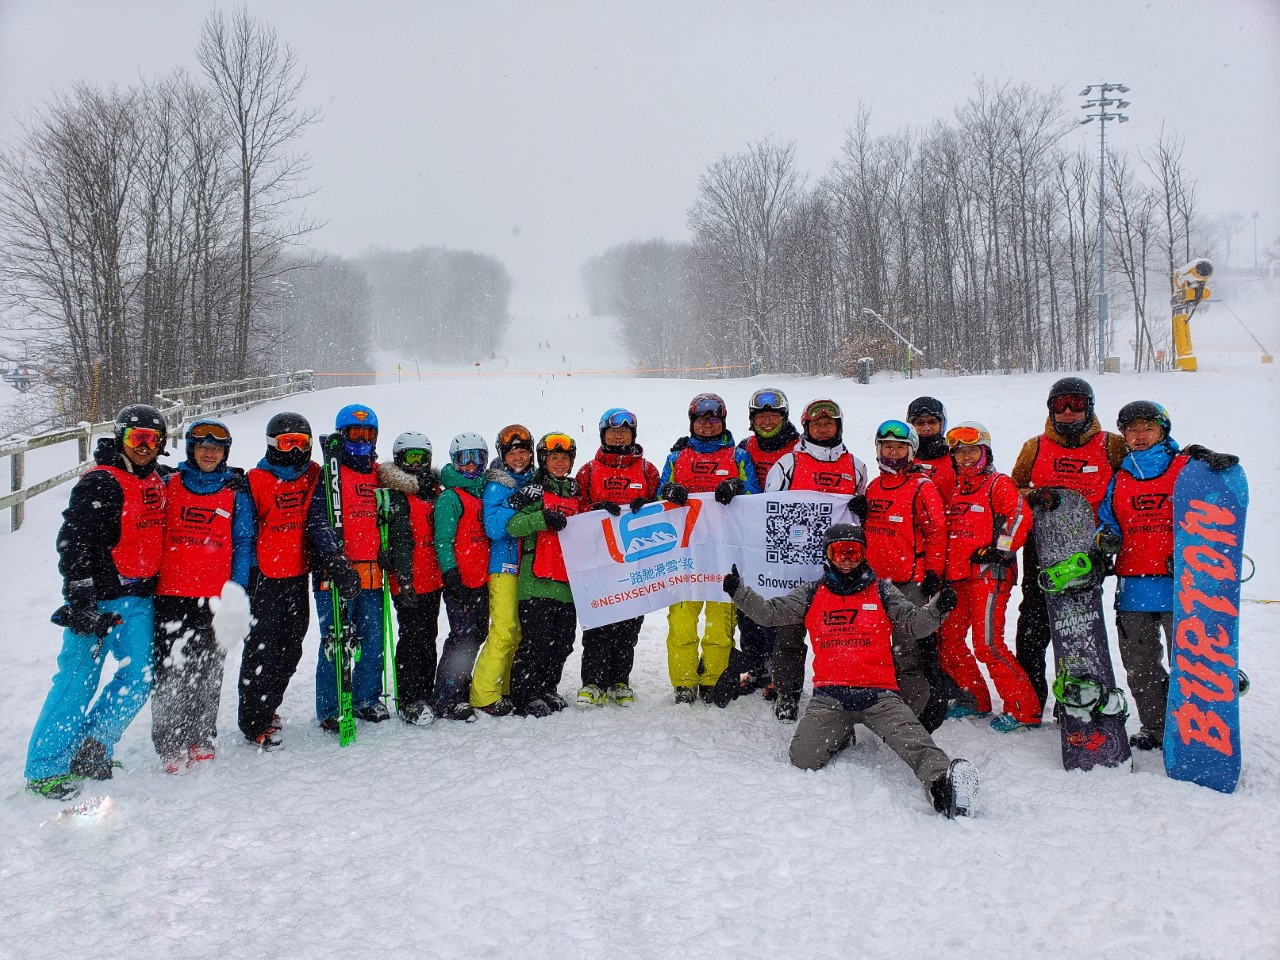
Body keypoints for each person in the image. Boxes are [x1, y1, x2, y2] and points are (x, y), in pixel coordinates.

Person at [721, 524, 976, 817]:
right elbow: (770, 613)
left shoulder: (882, 591)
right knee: (803, 758)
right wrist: (739, 592)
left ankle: (945, 786)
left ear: (864, 555)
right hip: (831, 697)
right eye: (839, 552)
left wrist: (937, 609)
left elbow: (915, 624)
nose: (846, 560)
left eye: (853, 553)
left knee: (915, 743)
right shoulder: (811, 592)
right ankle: (840, 734)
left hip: (880, 696)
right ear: (827, 555)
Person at [24, 404, 168, 800]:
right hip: (97, 602)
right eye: (136, 438)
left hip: (137, 599)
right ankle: (45, 767)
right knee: (76, 683)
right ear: (121, 438)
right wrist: (82, 599)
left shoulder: (157, 478)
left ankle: (92, 748)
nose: (144, 446)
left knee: (139, 678)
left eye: (152, 439)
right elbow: (73, 542)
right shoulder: (100, 483)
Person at [1095, 401, 1240, 751]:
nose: (1140, 436)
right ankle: (1156, 728)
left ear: (1163, 431)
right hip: (1133, 589)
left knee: (1193, 665)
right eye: (1131, 430)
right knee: (1141, 667)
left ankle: (1197, 726)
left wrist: (1209, 463)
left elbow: (1213, 508)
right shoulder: (1120, 479)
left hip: (1185, 588)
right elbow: (1105, 522)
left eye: (1148, 428)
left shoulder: (1186, 468)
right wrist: (1105, 538)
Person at [1011, 377, 1127, 717]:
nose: (1068, 412)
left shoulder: (1112, 445)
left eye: (1076, 403)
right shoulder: (1035, 446)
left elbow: (1144, 468)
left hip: (1086, 555)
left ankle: (1079, 694)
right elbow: (1010, 489)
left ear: (1089, 406)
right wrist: (1034, 495)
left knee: (1079, 624)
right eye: (1060, 404)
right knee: (1033, 626)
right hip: (1042, 551)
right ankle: (1031, 699)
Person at [152, 418, 254, 772]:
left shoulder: (235, 491)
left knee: (208, 668)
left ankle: (200, 735)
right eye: (202, 447)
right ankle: (169, 741)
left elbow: (243, 543)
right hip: (170, 594)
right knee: (171, 669)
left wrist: (236, 589)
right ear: (191, 450)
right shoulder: (169, 484)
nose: (209, 453)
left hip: (214, 598)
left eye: (216, 448)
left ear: (225, 452)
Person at [762, 398, 868, 722]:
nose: (824, 429)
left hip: (839, 568)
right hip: (794, 567)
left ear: (838, 426)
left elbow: (863, 514)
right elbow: (768, 511)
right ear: (807, 426)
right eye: (817, 424)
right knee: (789, 634)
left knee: (838, 633)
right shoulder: (787, 464)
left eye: (830, 423)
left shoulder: (855, 466)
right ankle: (787, 692)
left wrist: (863, 511)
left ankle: (836, 690)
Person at [658, 393, 761, 704]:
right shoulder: (677, 458)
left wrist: (738, 487)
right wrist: (668, 491)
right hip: (684, 557)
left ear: (723, 422)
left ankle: (713, 679)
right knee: (681, 624)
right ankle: (684, 683)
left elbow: (756, 496)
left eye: (714, 419)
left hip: (723, 557)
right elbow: (656, 496)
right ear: (692, 423)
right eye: (701, 420)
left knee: (719, 626)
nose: (707, 425)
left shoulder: (738, 457)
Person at [938, 421, 1041, 732]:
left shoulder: (998, 483)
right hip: (958, 578)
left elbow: (1021, 514)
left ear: (985, 452)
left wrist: (1002, 548)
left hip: (989, 575)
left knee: (988, 645)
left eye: (972, 451)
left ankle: (1024, 710)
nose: (966, 457)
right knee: (949, 640)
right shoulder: (957, 490)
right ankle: (975, 699)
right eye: (960, 453)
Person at [307, 403, 391, 731]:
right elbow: (317, 520)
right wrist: (335, 560)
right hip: (336, 575)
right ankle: (330, 706)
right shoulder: (330, 474)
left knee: (372, 640)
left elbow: (390, 519)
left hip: (372, 573)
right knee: (335, 643)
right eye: (355, 434)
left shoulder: (379, 473)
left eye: (368, 433)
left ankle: (366, 698)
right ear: (343, 435)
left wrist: (389, 552)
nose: (362, 439)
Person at [239, 412, 319, 751]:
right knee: (262, 648)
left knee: (292, 646)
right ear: (273, 444)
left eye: (302, 443)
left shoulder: (314, 473)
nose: (296, 451)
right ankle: (253, 719)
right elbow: (244, 532)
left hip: (298, 574)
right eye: (288, 443)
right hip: (265, 578)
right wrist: (244, 579)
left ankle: (269, 705)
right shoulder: (256, 479)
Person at [863, 419, 949, 731]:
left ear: (910, 451)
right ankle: (882, 703)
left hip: (908, 583)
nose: (893, 452)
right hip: (875, 583)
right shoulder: (874, 486)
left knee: (908, 650)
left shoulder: (921, 488)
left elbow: (937, 533)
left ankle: (915, 711)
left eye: (899, 447)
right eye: (887, 446)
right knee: (879, 649)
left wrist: (933, 574)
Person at [574, 409, 660, 706]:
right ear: (603, 435)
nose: (619, 435)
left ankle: (620, 680)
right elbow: (574, 512)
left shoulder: (647, 470)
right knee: (598, 621)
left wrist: (647, 505)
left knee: (628, 624)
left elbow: (663, 509)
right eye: (613, 432)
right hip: (598, 560)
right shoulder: (588, 471)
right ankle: (593, 681)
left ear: (633, 435)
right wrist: (594, 509)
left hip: (635, 560)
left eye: (625, 431)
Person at [506, 432, 582, 716]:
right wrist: (541, 518)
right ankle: (526, 694)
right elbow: (513, 526)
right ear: (544, 460)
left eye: (564, 458)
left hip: (566, 584)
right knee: (536, 643)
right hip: (536, 582)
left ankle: (549, 687)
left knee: (562, 644)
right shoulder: (536, 492)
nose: (559, 463)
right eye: (554, 458)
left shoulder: (576, 495)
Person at [734, 388, 800, 695]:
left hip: (785, 537)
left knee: (780, 606)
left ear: (784, 418)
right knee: (748, 604)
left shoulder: (801, 447)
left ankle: (779, 672)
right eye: (761, 416)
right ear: (752, 420)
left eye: (774, 415)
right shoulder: (745, 447)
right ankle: (757, 668)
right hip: (750, 536)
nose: (768, 420)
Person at [377, 431, 444, 726]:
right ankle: (409, 698)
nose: (416, 464)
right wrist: (385, 552)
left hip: (434, 577)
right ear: (399, 460)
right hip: (407, 577)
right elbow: (376, 526)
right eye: (410, 457)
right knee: (412, 638)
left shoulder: (436, 490)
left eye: (421, 457)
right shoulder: (392, 493)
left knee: (428, 637)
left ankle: (425, 692)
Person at [470, 424, 537, 716]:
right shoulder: (497, 485)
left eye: (524, 451)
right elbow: (495, 528)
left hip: (526, 567)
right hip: (503, 566)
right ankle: (483, 693)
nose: (519, 457)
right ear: (502, 454)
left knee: (519, 631)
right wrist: (515, 501)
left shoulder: (533, 480)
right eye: (512, 452)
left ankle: (504, 686)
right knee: (504, 629)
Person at [431, 432, 493, 721]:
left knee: (477, 634)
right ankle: (446, 697)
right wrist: (451, 574)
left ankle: (460, 687)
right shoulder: (449, 497)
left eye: (477, 458)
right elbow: (442, 540)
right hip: (462, 580)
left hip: (482, 578)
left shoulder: (484, 492)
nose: (470, 465)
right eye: (463, 459)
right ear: (454, 462)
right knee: (462, 638)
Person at [907, 396, 955, 503]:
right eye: (920, 423)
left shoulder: (956, 457)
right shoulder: (903, 457)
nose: (926, 428)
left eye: (932, 422)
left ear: (941, 424)